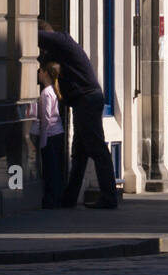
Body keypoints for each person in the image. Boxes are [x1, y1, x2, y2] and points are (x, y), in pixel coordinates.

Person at [38, 20, 118, 208]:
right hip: (84, 100)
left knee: (97, 149)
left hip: (87, 100)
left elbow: (30, 33)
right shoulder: (61, 49)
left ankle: (109, 197)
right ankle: (70, 198)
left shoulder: (60, 40)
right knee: (80, 153)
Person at [37, 61, 66, 208]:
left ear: (46, 73)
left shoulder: (46, 92)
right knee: (56, 168)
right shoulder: (54, 91)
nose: (39, 74)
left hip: (50, 136)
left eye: (40, 71)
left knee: (50, 169)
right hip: (58, 133)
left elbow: (46, 118)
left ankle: (51, 199)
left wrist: (42, 140)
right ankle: (57, 197)